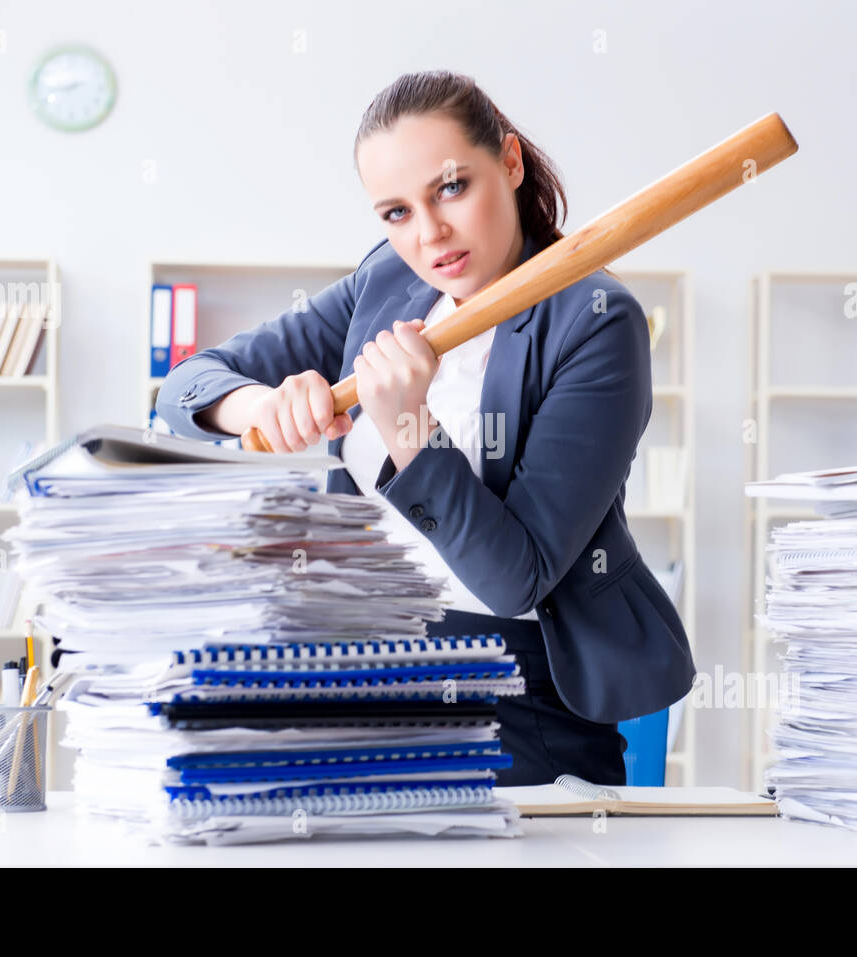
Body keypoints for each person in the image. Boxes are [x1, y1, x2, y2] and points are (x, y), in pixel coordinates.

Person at [156, 69, 694, 786]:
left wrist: (409, 428)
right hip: (359, 674)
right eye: (396, 212)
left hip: (518, 704)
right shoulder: (388, 281)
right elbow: (185, 387)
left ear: (509, 162)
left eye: (451, 188)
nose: (430, 234)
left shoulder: (595, 321)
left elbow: (514, 577)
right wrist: (259, 407)